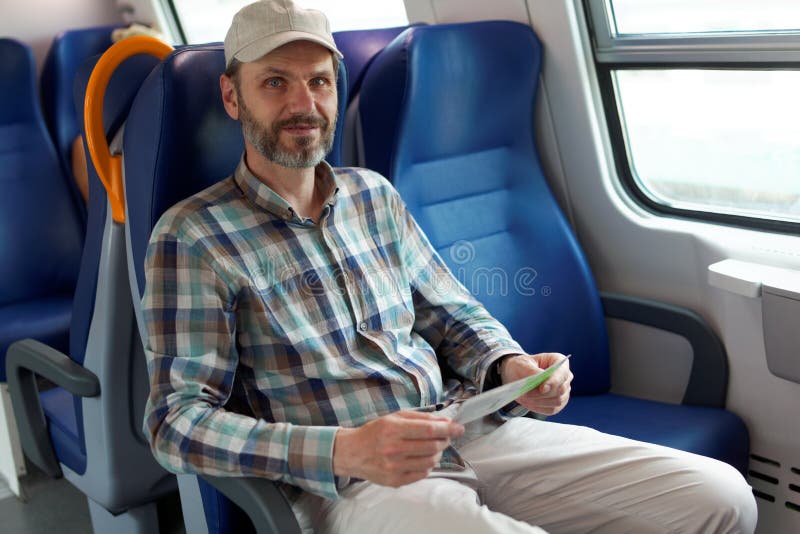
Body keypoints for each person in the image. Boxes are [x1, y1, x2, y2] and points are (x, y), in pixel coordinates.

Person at [141, 1, 757, 532]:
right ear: (232, 95)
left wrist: (509, 363)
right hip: (354, 482)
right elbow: (176, 423)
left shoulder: (372, 196)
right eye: (275, 82)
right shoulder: (193, 236)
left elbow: (450, 311)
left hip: (467, 428)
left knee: (721, 501)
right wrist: (346, 450)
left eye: (320, 82)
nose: (304, 103)